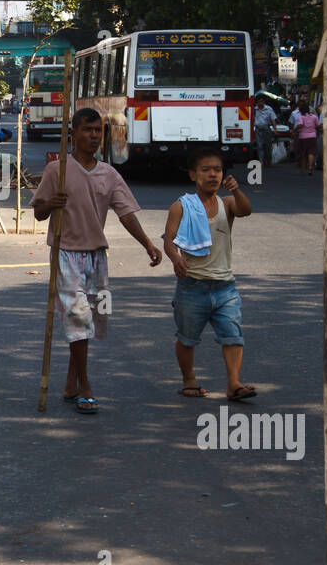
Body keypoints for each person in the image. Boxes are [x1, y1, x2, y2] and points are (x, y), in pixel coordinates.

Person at [31, 107, 162, 414]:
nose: (93, 136)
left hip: (96, 256)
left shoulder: (109, 173)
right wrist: (52, 203)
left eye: (98, 131)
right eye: (87, 130)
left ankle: (70, 383)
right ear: (73, 134)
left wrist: (148, 244)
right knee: (78, 318)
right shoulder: (57, 170)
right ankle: (85, 386)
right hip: (66, 253)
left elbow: (126, 214)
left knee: (92, 321)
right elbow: (38, 212)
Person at [163, 146, 254, 401]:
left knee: (233, 335)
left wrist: (236, 189)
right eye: (206, 170)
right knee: (187, 339)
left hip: (225, 286)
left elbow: (246, 210)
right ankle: (189, 378)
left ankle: (234, 383)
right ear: (193, 175)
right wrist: (175, 258)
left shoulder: (228, 204)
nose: (213, 175)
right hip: (192, 287)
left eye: (217, 170)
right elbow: (168, 240)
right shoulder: (181, 206)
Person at [293, 101, 321, 176]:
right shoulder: (314, 117)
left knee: (303, 153)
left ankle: (303, 169)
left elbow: (300, 125)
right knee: (311, 152)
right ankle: (310, 167)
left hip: (303, 137)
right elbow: (318, 126)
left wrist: (295, 130)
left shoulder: (301, 117)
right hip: (313, 136)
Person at [253, 95, 278, 168]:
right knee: (259, 146)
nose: (260, 103)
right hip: (258, 129)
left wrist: (275, 129)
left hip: (266, 128)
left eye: (261, 101)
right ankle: (261, 161)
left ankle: (268, 160)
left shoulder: (269, 109)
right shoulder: (255, 109)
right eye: (258, 102)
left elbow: (273, 119)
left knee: (267, 146)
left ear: (264, 102)